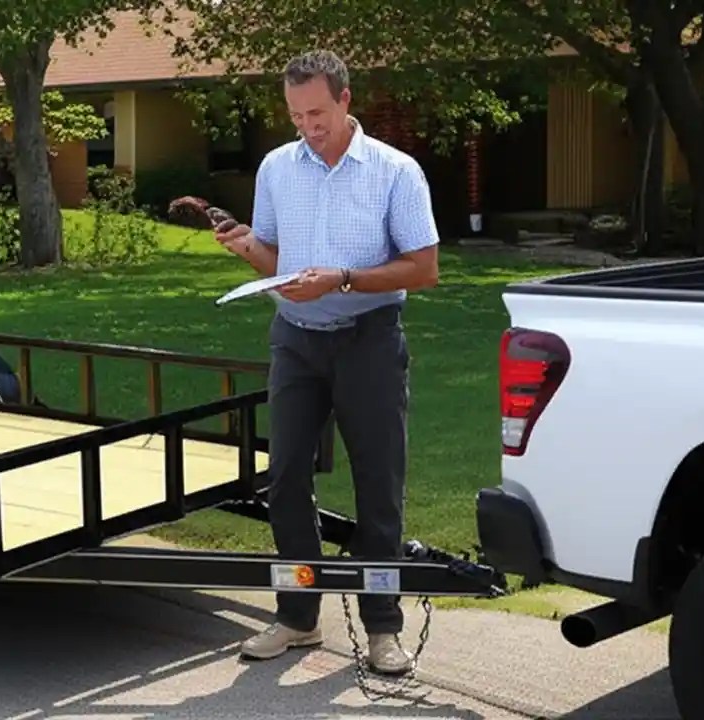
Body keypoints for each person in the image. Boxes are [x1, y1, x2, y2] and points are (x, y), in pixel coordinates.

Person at [214, 49, 440, 674]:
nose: (306, 126)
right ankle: (298, 617)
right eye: (295, 116)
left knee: (379, 486)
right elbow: (275, 259)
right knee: (284, 477)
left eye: (316, 112)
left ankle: (382, 630)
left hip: (368, 338)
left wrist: (340, 279)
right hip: (295, 339)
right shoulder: (276, 168)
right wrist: (248, 254)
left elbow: (424, 270)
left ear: (345, 100)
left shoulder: (395, 172)